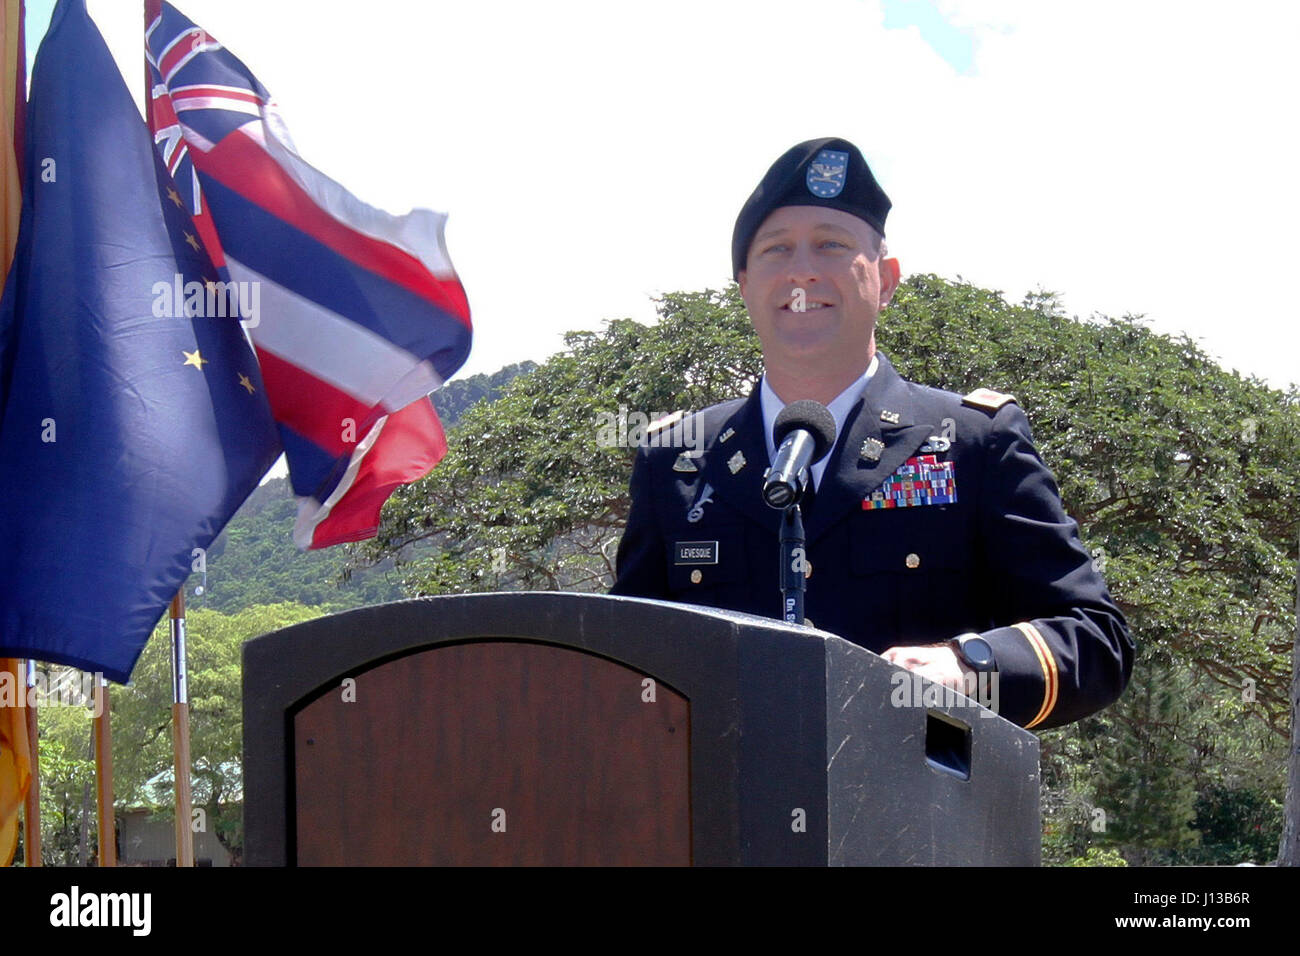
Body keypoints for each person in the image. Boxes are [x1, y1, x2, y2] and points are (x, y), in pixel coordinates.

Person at [610, 137, 1134, 729]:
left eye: (831, 245)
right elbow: (623, 664)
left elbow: (1095, 640)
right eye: (777, 250)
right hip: (720, 813)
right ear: (745, 285)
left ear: (885, 280)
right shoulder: (675, 456)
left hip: (914, 811)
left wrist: (967, 668)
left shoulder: (972, 441)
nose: (802, 271)